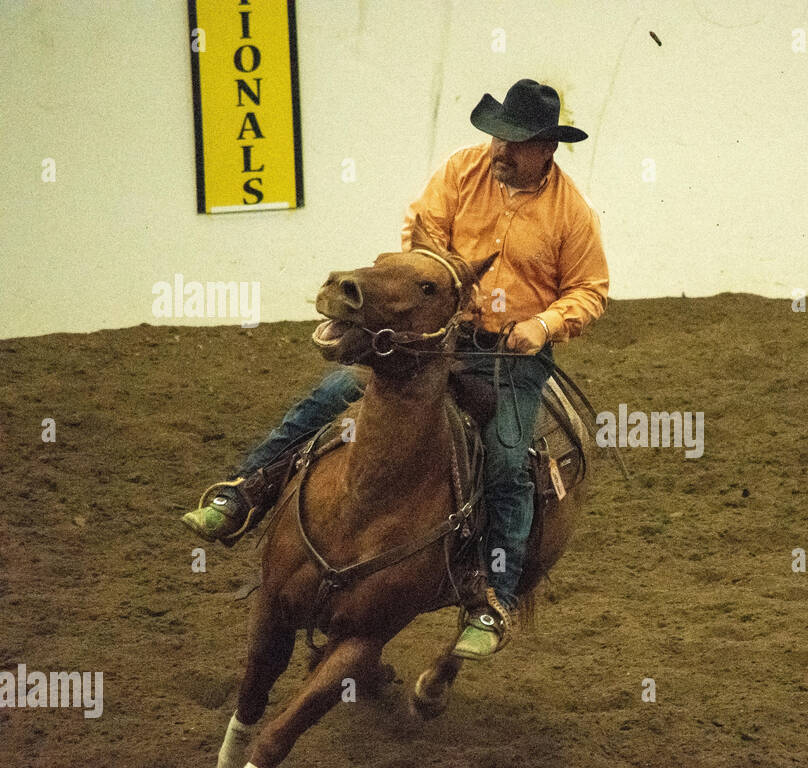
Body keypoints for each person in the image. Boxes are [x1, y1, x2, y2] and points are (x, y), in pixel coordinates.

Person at [182, 78, 609, 660]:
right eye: (496, 138)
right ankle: (247, 490)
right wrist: (444, 286)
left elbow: (589, 290)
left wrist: (543, 325)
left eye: (515, 141)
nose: (499, 151)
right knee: (333, 393)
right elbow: (422, 232)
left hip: (512, 356)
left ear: (547, 148)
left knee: (509, 458)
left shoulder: (572, 214)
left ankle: (495, 596)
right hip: (440, 334)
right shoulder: (462, 172)